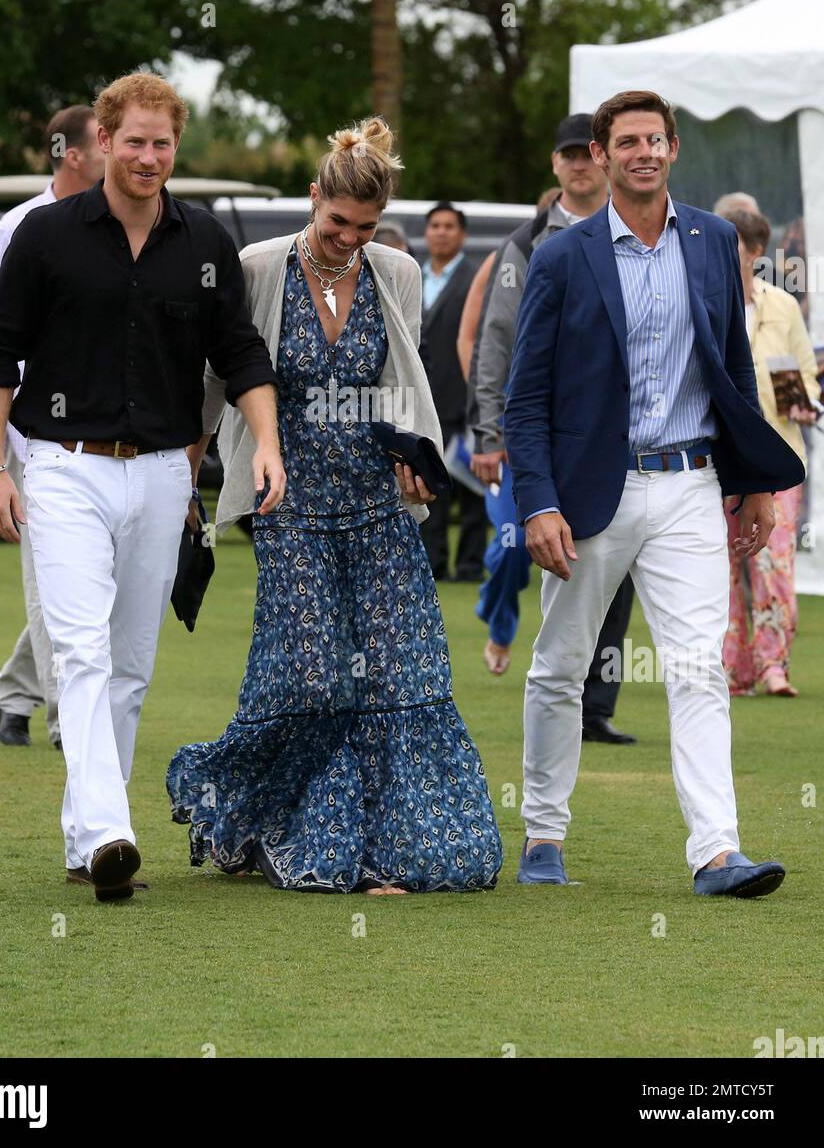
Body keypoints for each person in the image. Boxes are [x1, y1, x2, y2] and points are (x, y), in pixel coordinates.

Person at [167, 119, 502, 895]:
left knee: (396, 673)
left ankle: (385, 849)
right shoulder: (255, 267)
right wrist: (187, 479)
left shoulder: (396, 271)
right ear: (313, 198)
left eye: (366, 226)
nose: (349, 239)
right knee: (317, 676)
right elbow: (217, 381)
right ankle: (272, 821)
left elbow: (400, 384)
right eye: (336, 222)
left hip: (376, 503)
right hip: (288, 499)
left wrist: (412, 460)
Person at [0, 71, 283, 902]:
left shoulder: (206, 243)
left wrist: (267, 446)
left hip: (161, 474)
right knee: (79, 648)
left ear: (176, 147)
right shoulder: (46, 235)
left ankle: (86, 839)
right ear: (102, 142)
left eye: (163, 142)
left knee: (131, 666)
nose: (149, 156)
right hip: (62, 466)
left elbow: (242, 354)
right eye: (135, 140)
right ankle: (111, 831)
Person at [505, 88, 805, 897]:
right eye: (625, 140)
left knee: (699, 668)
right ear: (599, 157)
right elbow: (525, 395)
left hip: (691, 485)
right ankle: (543, 833)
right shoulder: (563, 256)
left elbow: (733, 368)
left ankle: (717, 852)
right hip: (590, 495)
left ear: (674, 148)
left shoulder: (712, 242)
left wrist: (754, 482)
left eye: (655, 138)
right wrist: (536, 503)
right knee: (560, 667)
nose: (642, 151)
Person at [467, 117, 636, 745]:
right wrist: (489, 434)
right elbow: (496, 341)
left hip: (618, 432)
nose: (580, 166)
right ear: (556, 164)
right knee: (544, 556)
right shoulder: (529, 241)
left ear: (601, 158)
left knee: (615, 572)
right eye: (568, 155)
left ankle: (596, 707)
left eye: (586, 154)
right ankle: (550, 691)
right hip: (545, 431)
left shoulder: (634, 230)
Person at [0, 105, 105, 748]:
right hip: (23, 429)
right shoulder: (18, 226)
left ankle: (14, 688)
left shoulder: (115, 225)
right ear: (70, 152)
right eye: (107, 142)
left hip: (98, 428)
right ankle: (67, 722)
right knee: (53, 575)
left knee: (89, 578)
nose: (125, 155)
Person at [721, 207, 820, 697]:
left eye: (732, 241)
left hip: (778, 454)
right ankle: (732, 668)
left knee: (774, 562)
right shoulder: (700, 299)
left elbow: (801, 374)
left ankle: (773, 665)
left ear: (755, 251)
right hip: (714, 458)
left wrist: (805, 403)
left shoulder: (782, 305)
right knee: (720, 565)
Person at [418, 203, 487, 581]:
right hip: (422, 401)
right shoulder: (413, 275)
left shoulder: (475, 279)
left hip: (465, 400)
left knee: (473, 485)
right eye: (435, 226)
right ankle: (433, 561)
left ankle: (470, 564)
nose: (441, 232)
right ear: (426, 232)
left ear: (462, 235)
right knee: (429, 485)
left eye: (449, 226)